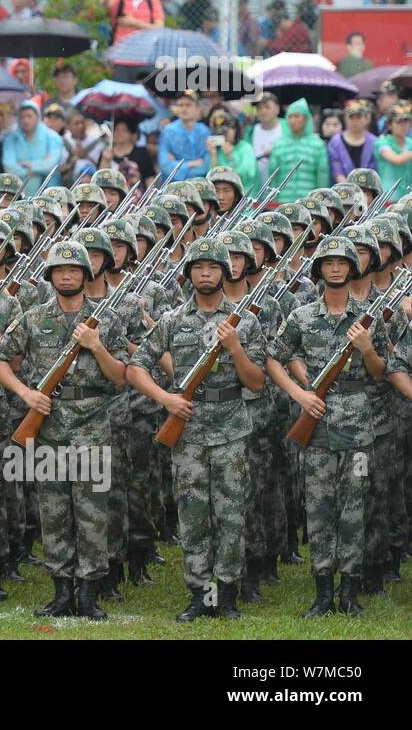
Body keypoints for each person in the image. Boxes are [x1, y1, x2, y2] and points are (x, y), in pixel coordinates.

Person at [0, 238, 129, 620]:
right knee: (52, 512)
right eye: (60, 270)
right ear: (50, 276)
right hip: (48, 426)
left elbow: (120, 377)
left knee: (92, 512)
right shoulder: (34, 318)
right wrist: (25, 393)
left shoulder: (107, 319)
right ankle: (61, 591)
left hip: (91, 426)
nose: (67, 275)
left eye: (74, 270)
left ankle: (89, 593)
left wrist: (96, 346)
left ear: (86, 274)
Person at [129, 236, 267, 621]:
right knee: (193, 516)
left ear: (225, 272)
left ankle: (227, 595)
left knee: (231, 513)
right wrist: (166, 399)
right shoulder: (173, 321)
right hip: (187, 433)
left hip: (231, 431)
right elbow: (136, 367)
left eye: (213, 267)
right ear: (188, 274)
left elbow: (256, 382)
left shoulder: (246, 320)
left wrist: (236, 348)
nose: (205, 273)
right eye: (198, 267)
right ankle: (199, 594)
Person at [267, 237, 385, 617]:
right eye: (328, 263)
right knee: (318, 508)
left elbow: (381, 372)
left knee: (355, 507)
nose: (335, 269)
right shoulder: (302, 316)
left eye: (342, 263)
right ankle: (322, 592)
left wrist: (366, 348)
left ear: (352, 267)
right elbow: (273, 358)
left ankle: (349, 591)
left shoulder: (369, 315)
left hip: (357, 430)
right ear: (319, 269)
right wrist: (299, 395)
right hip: (315, 427)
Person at [268, 98, 330, 202]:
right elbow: (273, 176)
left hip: (309, 203)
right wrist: (272, 201)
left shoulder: (317, 144)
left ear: (306, 119)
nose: (293, 120)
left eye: (297, 116)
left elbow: (322, 176)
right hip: (282, 203)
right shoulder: (279, 144)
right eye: (290, 116)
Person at [1, 100, 64, 195]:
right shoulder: (10, 139)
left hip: (50, 191)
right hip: (19, 190)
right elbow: (9, 166)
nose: (25, 120)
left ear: (37, 117)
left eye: (29, 116)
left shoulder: (53, 138)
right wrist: (29, 172)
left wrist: (30, 165)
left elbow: (51, 165)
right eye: (22, 117)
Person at [158, 90, 213, 182]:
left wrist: (177, 164)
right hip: (174, 185)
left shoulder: (204, 131)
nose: (184, 108)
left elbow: (207, 163)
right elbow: (165, 164)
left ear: (197, 108)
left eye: (188, 105)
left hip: (200, 183)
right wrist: (191, 164)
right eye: (180, 105)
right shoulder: (168, 131)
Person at [207, 109, 259, 196]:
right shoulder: (216, 150)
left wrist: (231, 156)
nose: (223, 134)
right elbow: (210, 179)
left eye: (225, 131)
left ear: (235, 130)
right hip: (221, 199)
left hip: (244, 199)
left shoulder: (245, 148)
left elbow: (249, 175)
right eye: (219, 131)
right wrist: (213, 157)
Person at [327, 100, 377, 184]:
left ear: (366, 118)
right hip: (342, 189)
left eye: (358, 117)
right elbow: (336, 170)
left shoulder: (374, 141)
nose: (355, 121)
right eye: (351, 117)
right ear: (345, 118)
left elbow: (374, 169)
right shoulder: (335, 142)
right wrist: (350, 188)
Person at [98, 116, 155, 186]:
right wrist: (105, 161)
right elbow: (99, 180)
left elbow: (149, 179)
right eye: (116, 129)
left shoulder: (142, 153)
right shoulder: (106, 153)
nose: (119, 133)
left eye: (124, 130)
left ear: (132, 134)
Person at [375, 101, 412, 199]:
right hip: (389, 197)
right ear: (389, 125)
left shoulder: (410, 143)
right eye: (399, 122)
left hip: (408, 196)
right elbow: (397, 159)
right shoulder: (382, 142)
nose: (404, 126)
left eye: (406, 121)